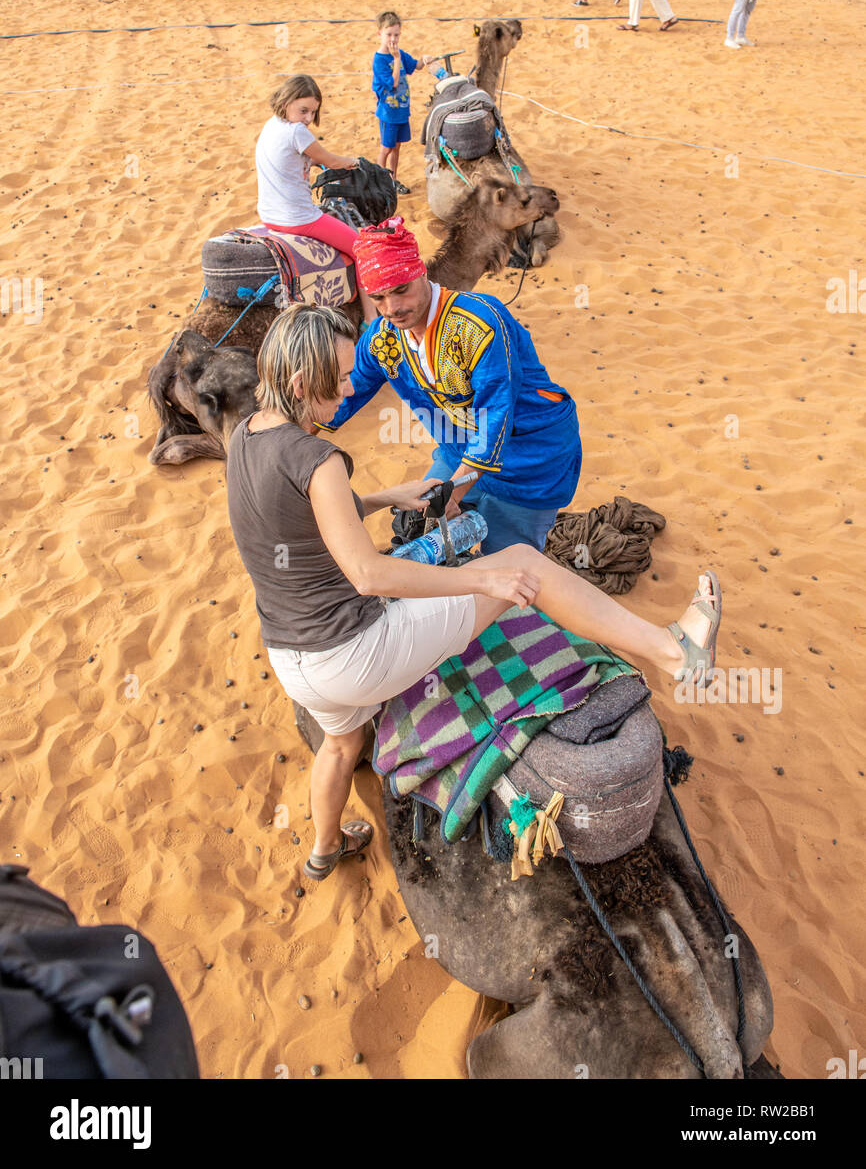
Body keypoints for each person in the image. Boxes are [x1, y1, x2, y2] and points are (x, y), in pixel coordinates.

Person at [226, 304, 722, 881]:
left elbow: (297, 518)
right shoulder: (318, 457)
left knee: (339, 746)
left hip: (293, 658)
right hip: (353, 653)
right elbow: (369, 575)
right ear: (297, 382)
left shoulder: (244, 438)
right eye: (336, 382)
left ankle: (324, 850)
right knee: (523, 565)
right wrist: (483, 579)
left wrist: (389, 497)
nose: (345, 393)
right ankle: (672, 649)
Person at [319, 217, 583, 557]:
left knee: (508, 563)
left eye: (401, 290)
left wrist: (452, 496)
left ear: (422, 273)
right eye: (379, 298)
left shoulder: (478, 323)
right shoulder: (382, 338)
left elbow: (495, 415)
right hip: (458, 449)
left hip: (529, 457)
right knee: (420, 538)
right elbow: (344, 392)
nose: (392, 308)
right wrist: (295, 430)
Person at [255, 73, 377, 327]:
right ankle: (370, 320)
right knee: (362, 248)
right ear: (287, 100)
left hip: (269, 214)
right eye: (304, 110)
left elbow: (303, 158)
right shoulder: (297, 132)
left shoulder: (271, 125)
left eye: (313, 112)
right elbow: (331, 161)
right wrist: (356, 162)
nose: (308, 119)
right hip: (297, 217)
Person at [372, 11, 441, 196]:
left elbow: (414, 66)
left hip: (402, 111)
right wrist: (396, 60)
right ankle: (380, 182)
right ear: (380, 33)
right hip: (388, 112)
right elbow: (393, 82)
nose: (393, 39)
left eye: (396, 34)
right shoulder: (380, 60)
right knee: (386, 148)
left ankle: (393, 180)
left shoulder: (400, 54)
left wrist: (425, 59)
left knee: (396, 147)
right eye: (389, 34)